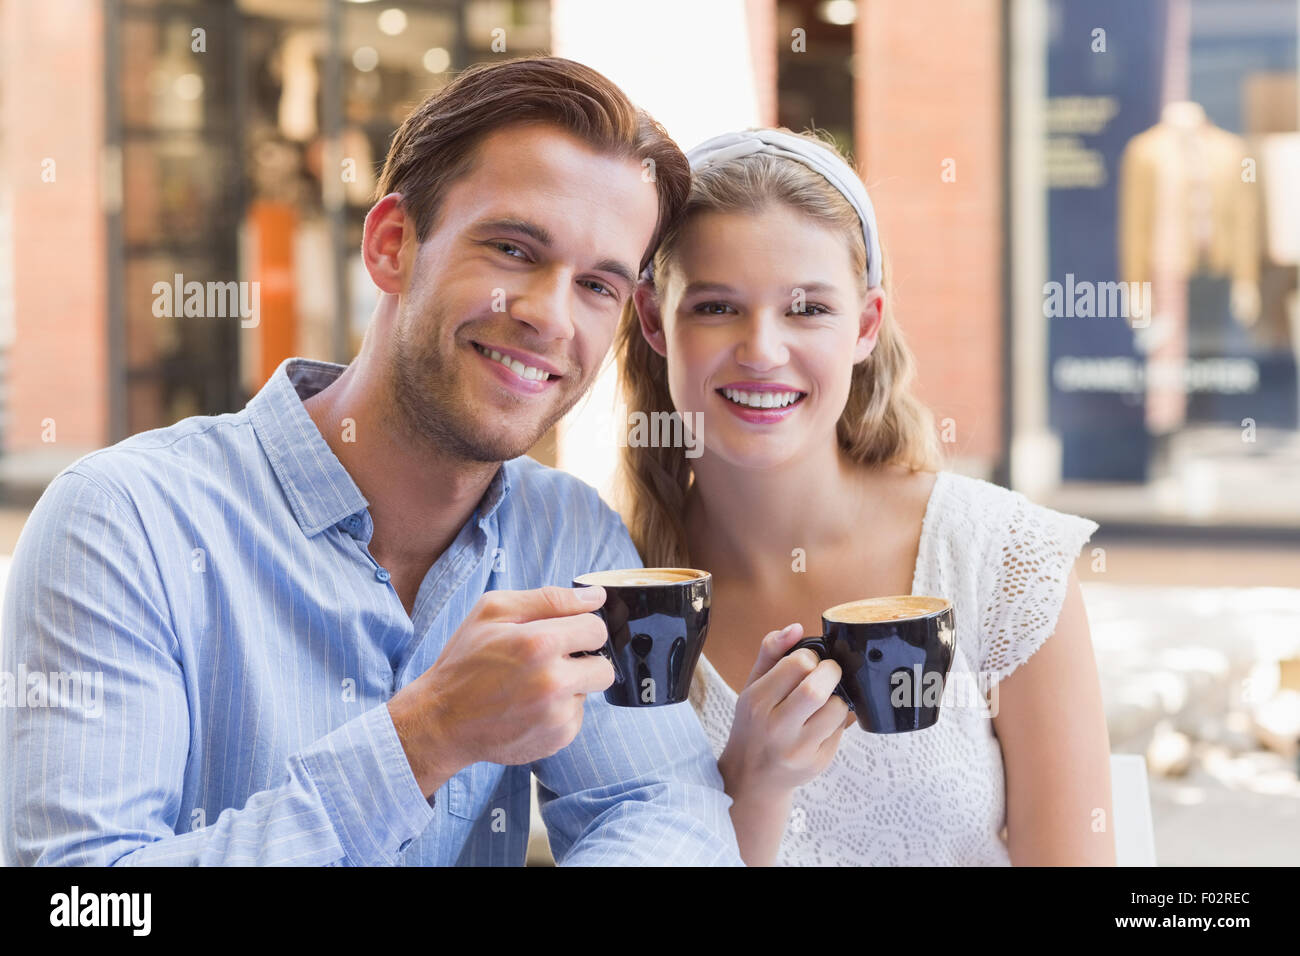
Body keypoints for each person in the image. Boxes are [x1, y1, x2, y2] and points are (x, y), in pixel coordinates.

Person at [0, 57, 745, 867]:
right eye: (511, 249)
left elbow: (666, 809)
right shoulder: (124, 522)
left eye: (599, 286)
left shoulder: (567, 534)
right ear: (392, 245)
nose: (548, 317)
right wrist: (423, 739)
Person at [615, 127, 1115, 866]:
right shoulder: (622, 596)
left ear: (866, 324)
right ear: (657, 319)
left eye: (808, 308)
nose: (761, 349)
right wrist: (749, 789)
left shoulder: (1000, 557)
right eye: (717, 307)